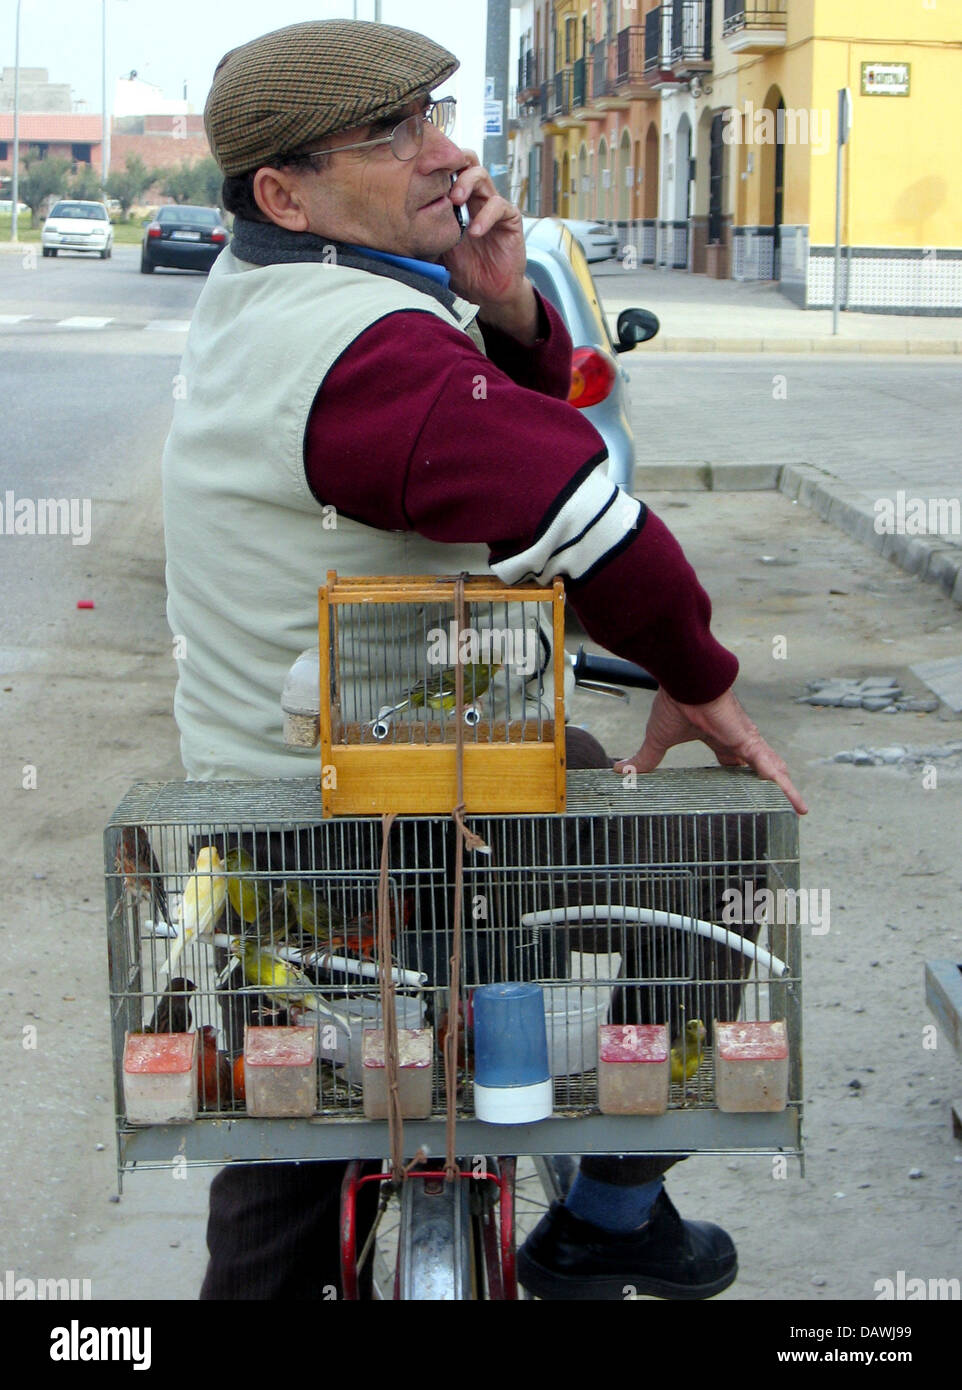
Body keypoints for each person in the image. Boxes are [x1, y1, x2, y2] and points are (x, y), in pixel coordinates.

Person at [162, 18, 807, 1300]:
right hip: (404, 821)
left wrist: (503, 300)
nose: (446, 154)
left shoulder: (263, 297)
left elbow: (486, 431)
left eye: (434, 116)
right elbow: (585, 505)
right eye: (393, 134)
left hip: (260, 809)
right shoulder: (364, 346)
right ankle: (614, 1214)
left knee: (280, 1144)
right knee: (740, 829)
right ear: (286, 191)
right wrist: (700, 676)